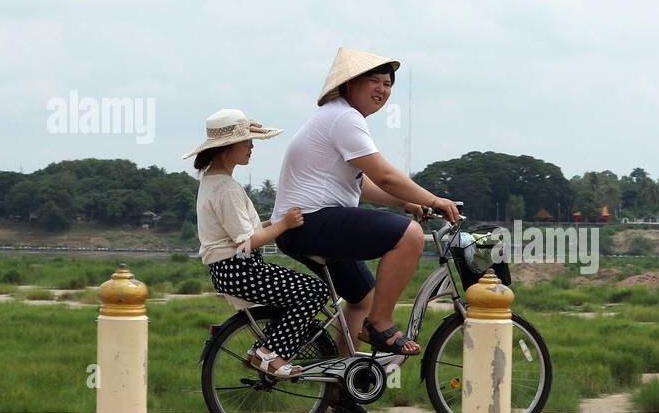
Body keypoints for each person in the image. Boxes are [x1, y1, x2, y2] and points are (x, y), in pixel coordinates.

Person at [273, 47, 460, 356]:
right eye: (373, 81)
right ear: (349, 84)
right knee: (409, 235)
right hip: (309, 221)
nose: (382, 90)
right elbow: (384, 174)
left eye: (387, 84)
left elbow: (361, 186)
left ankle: (341, 383)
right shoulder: (344, 118)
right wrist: (434, 199)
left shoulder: (336, 116)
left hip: (303, 225)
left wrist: (404, 202)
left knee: (363, 297)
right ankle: (380, 324)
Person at [185, 109, 330, 381]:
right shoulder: (226, 188)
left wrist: (274, 222)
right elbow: (246, 242)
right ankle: (269, 353)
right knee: (315, 291)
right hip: (241, 269)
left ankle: (261, 352)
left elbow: (243, 230)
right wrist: (284, 225)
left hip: (229, 271)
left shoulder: (212, 182)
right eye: (247, 141)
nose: (252, 147)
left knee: (298, 295)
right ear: (227, 147)